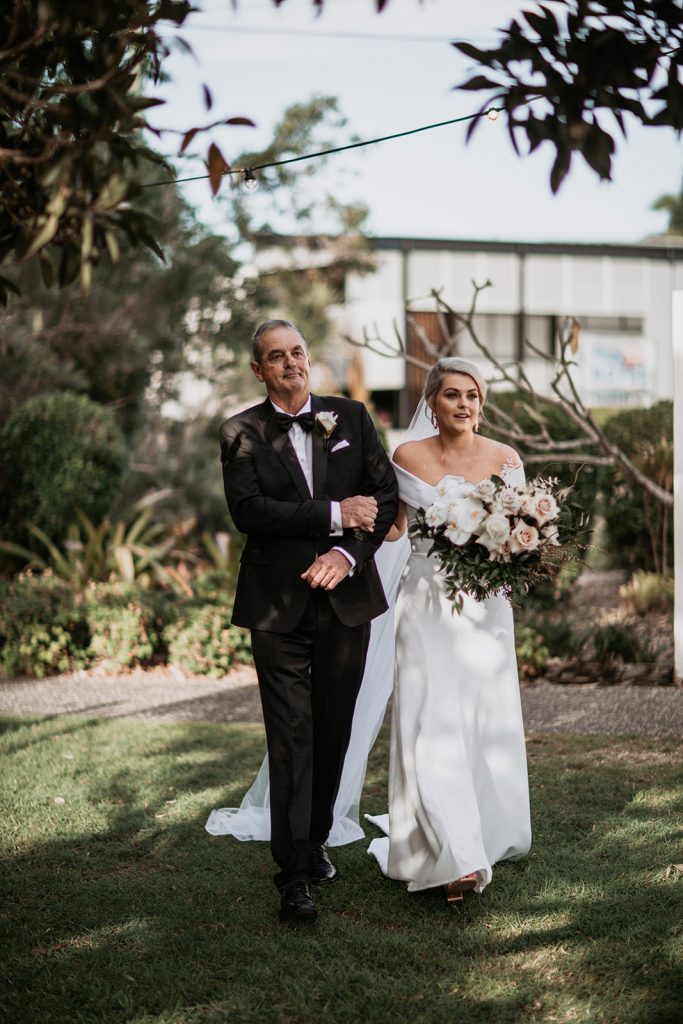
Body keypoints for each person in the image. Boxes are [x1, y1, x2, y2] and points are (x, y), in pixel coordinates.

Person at [214, 319, 398, 923]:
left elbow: (385, 498)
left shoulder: (351, 417)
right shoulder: (239, 432)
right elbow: (250, 511)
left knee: (332, 730)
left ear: (308, 358)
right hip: (277, 605)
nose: (290, 362)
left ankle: (313, 841)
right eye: (276, 356)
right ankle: (293, 875)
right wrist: (335, 514)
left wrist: (348, 555)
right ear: (258, 370)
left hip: (347, 602)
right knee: (290, 734)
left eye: (297, 351)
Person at [366, 356, 532, 905]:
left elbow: (522, 537)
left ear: (481, 406)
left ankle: (480, 829)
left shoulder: (506, 459)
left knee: (479, 717)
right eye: (452, 394)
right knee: (428, 717)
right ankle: (453, 854)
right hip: (425, 602)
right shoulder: (407, 456)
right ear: (432, 403)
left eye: (472, 395)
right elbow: (395, 528)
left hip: (485, 606)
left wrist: (523, 547)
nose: (464, 403)